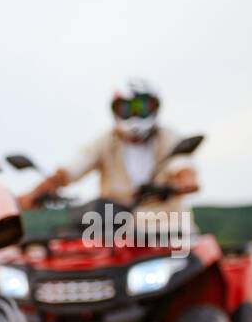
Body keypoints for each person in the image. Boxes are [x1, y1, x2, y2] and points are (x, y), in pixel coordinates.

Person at [17, 80, 200, 218]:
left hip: (166, 227)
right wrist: (36, 194)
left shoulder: (168, 138)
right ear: (116, 110)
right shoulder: (104, 142)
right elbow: (71, 169)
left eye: (141, 108)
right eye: (127, 108)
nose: (134, 115)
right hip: (114, 227)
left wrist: (175, 185)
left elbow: (183, 168)